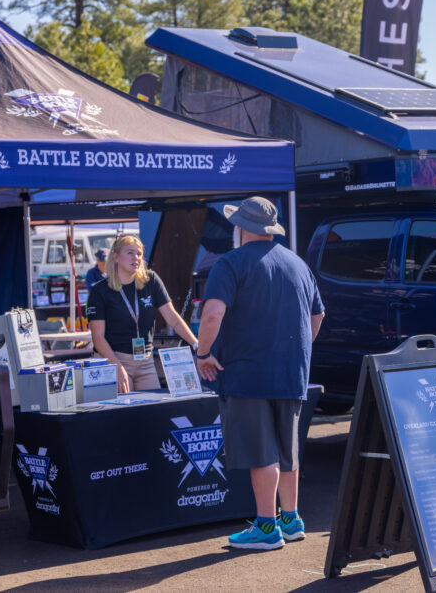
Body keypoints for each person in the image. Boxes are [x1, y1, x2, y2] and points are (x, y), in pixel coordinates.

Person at [196, 197, 325, 551]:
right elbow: (317, 316)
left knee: (262, 452)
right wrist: (298, 351)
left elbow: (212, 315)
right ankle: (291, 519)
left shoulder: (231, 263)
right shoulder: (297, 264)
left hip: (247, 373)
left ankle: (267, 526)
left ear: (240, 228)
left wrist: (203, 353)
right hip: (291, 372)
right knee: (288, 450)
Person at [87, 235, 198, 393]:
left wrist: (196, 345)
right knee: (124, 412)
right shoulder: (100, 291)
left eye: (139, 254)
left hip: (145, 361)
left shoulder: (150, 280)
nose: (136, 258)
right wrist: (116, 367)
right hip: (115, 359)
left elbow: (173, 318)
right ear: (116, 256)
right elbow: (97, 337)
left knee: (151, 412)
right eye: (130, 253)